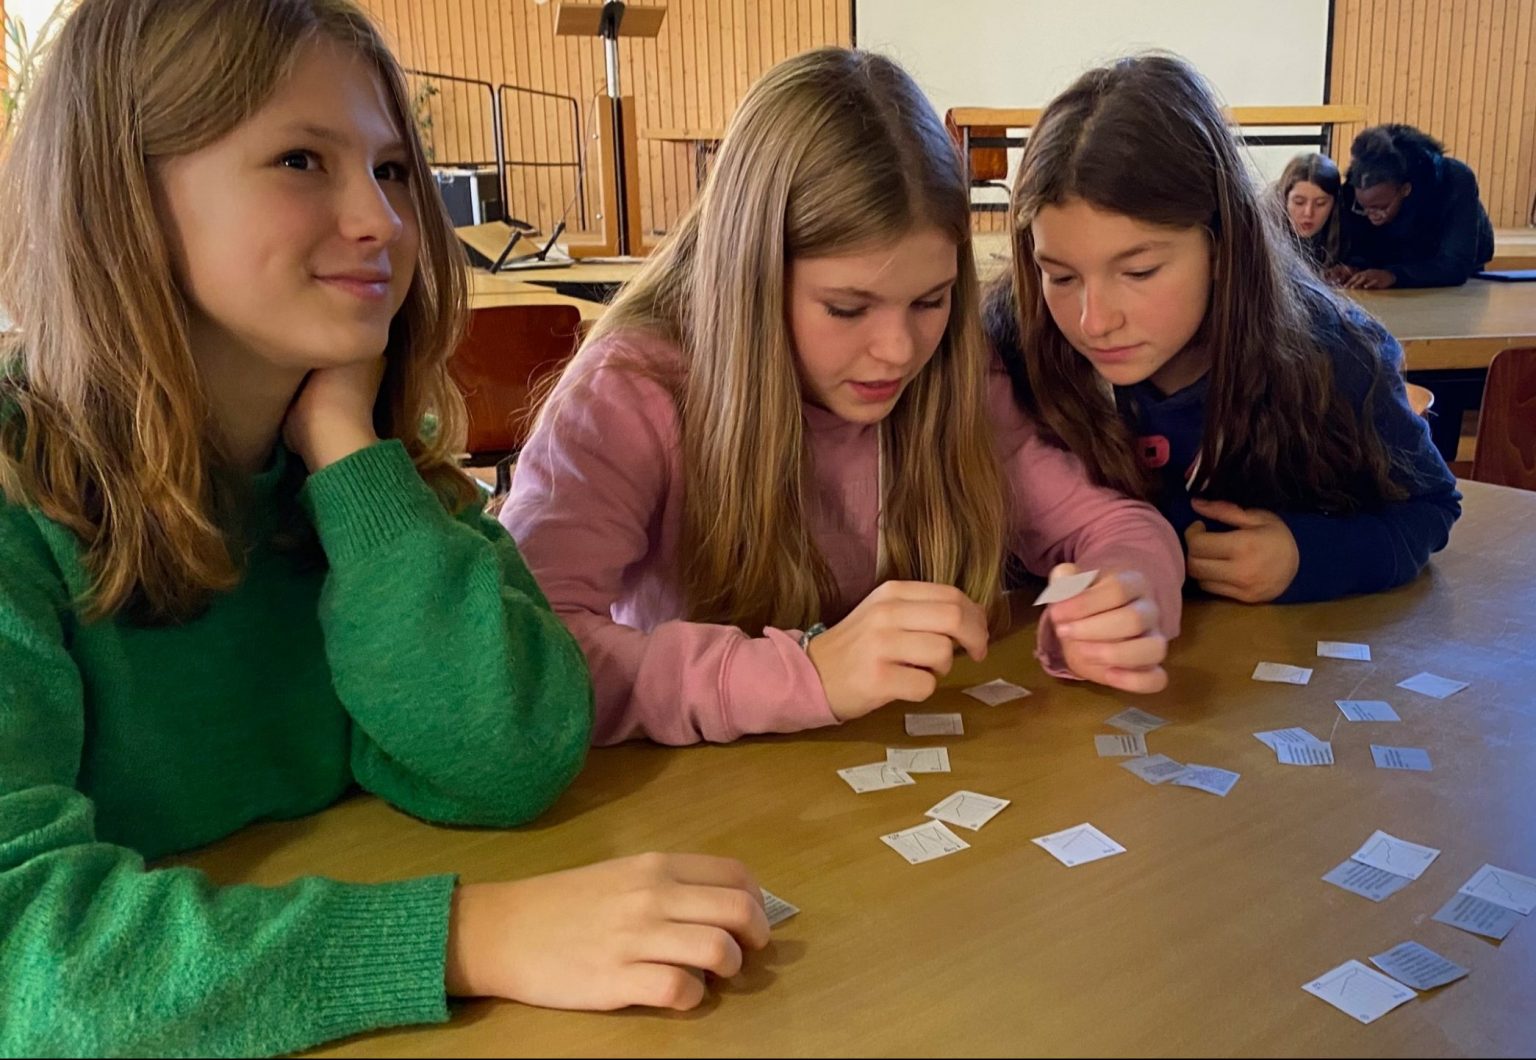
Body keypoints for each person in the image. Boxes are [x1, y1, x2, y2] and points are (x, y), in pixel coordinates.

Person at [0, 1, 768, 1054]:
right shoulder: (18, 495)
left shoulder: (364, 468)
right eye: (301, 161)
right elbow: (22, 948)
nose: (383, 221)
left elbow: (510, 757)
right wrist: (464, 936)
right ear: (122, 198)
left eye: (394, 169)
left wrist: (346, 454)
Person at [502, 47, 1184, 748]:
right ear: (751, 278)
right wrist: (805, 673)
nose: (898, 350)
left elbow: (1114, 527)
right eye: (847, 308)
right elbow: (523, 664)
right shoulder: (629, 392)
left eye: (930, 300)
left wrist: (1126, 587)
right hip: (688, 793)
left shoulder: (954, 370)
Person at [984, 55, 1460, 605]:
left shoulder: (1331, 352)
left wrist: (1306, 557)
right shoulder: (1011, 352)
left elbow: (1430, 507)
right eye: (1061, 276)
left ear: (1221, 244)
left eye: (1140, 272)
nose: (1094, 321)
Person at [1331, 123, 1494, 289]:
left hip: (1453, 276)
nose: (1372, 215)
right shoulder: (1353, 188)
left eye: (1381, 208)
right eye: (1363, 208)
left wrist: (1394, 276)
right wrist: (1353, 266)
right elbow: (1364, 243)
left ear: (1405, 190)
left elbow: (1455, 264)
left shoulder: (1453, 181)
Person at [1277, 151, 1341, 270]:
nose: (1308, 213)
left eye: (1320, 203)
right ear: (1284, 199)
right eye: (1299, 202)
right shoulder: (1262, 230)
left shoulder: (1347, 228)